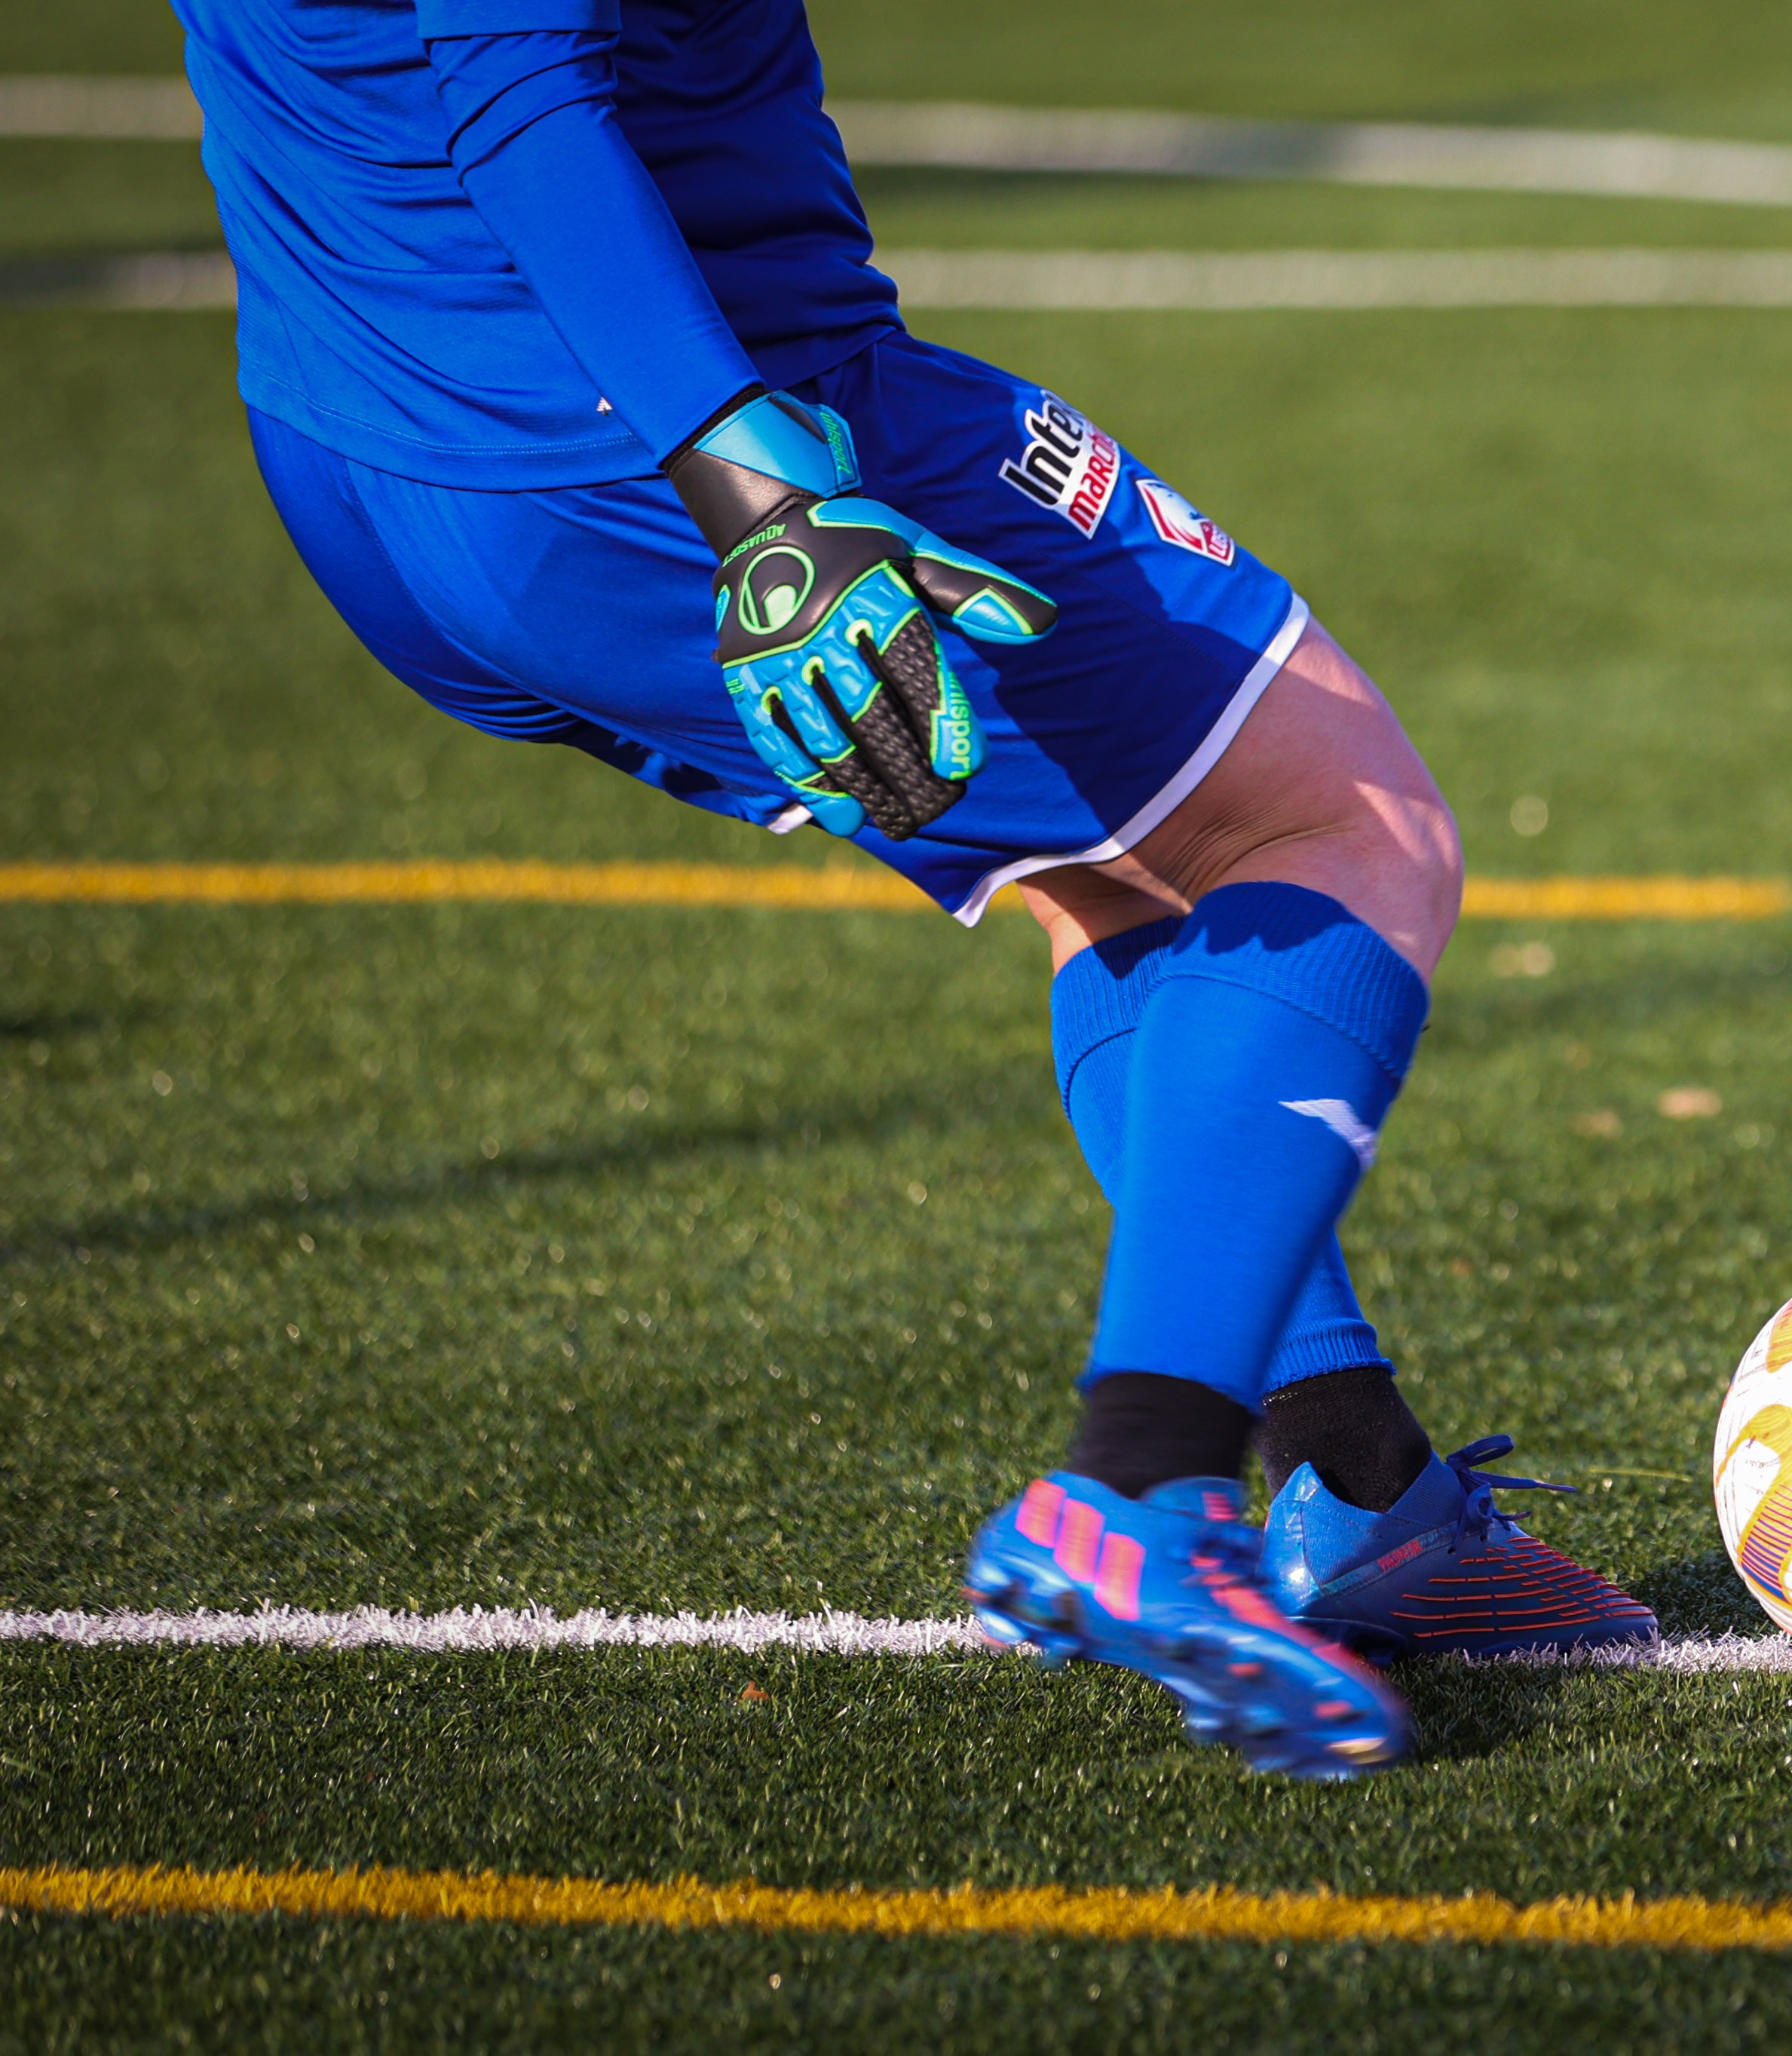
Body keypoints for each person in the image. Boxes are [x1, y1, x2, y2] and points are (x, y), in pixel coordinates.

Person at [172, 0, 1655, 1780]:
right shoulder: (715, 443)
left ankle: (1365, 1490)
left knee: (1113, 872)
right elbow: (513, 77)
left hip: (362, 453)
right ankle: (1140, 1488)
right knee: (1343, 822)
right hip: (671, 426)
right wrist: (758, 496)